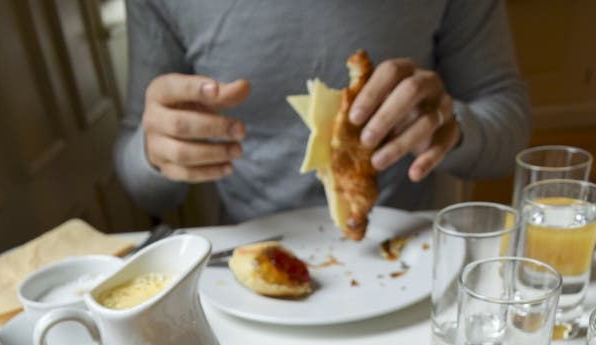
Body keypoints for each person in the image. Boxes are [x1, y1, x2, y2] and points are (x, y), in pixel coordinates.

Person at [115, 0, 531, 224]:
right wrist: (156, 154)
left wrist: (451, 127)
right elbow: (139, 177)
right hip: (254, 266)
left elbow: (510, 121)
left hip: (407, 256)